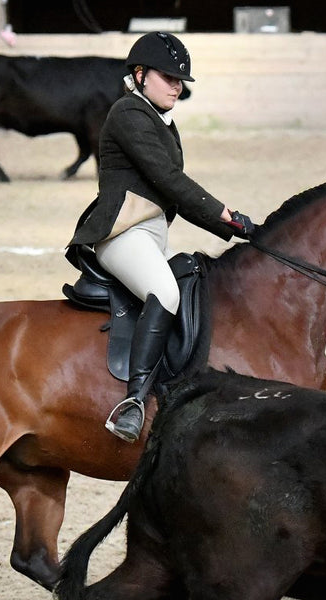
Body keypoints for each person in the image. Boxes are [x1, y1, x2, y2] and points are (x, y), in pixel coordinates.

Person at [68, 32, 255, 442]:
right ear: (140, 74)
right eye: (168, 77)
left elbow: (179, 198)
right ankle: (132, 403)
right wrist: (228, 215)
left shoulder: (161, 122)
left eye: (180, 79)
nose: (177, 86)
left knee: (197, 284)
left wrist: (233, 230)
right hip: (122, 231)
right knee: (166, 293)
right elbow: (170, 181)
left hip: (150, 233)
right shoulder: (128, 113)